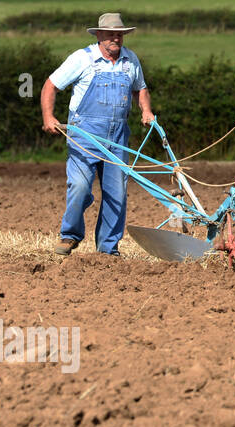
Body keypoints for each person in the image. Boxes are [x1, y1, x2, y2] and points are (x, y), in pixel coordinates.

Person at [41, 13, 154, 256]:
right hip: (85, 134)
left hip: (118, 137)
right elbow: (50, 85)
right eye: (112, 34)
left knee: (117, 193)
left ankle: (108, 250)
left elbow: (141, 89)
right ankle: (70, 235)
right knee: (80, 186)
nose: (116, 38)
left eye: (120, 34)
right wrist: (48, 117)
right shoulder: (82, 59)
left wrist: (146, 111)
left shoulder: (130, 60)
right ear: (99, 35)